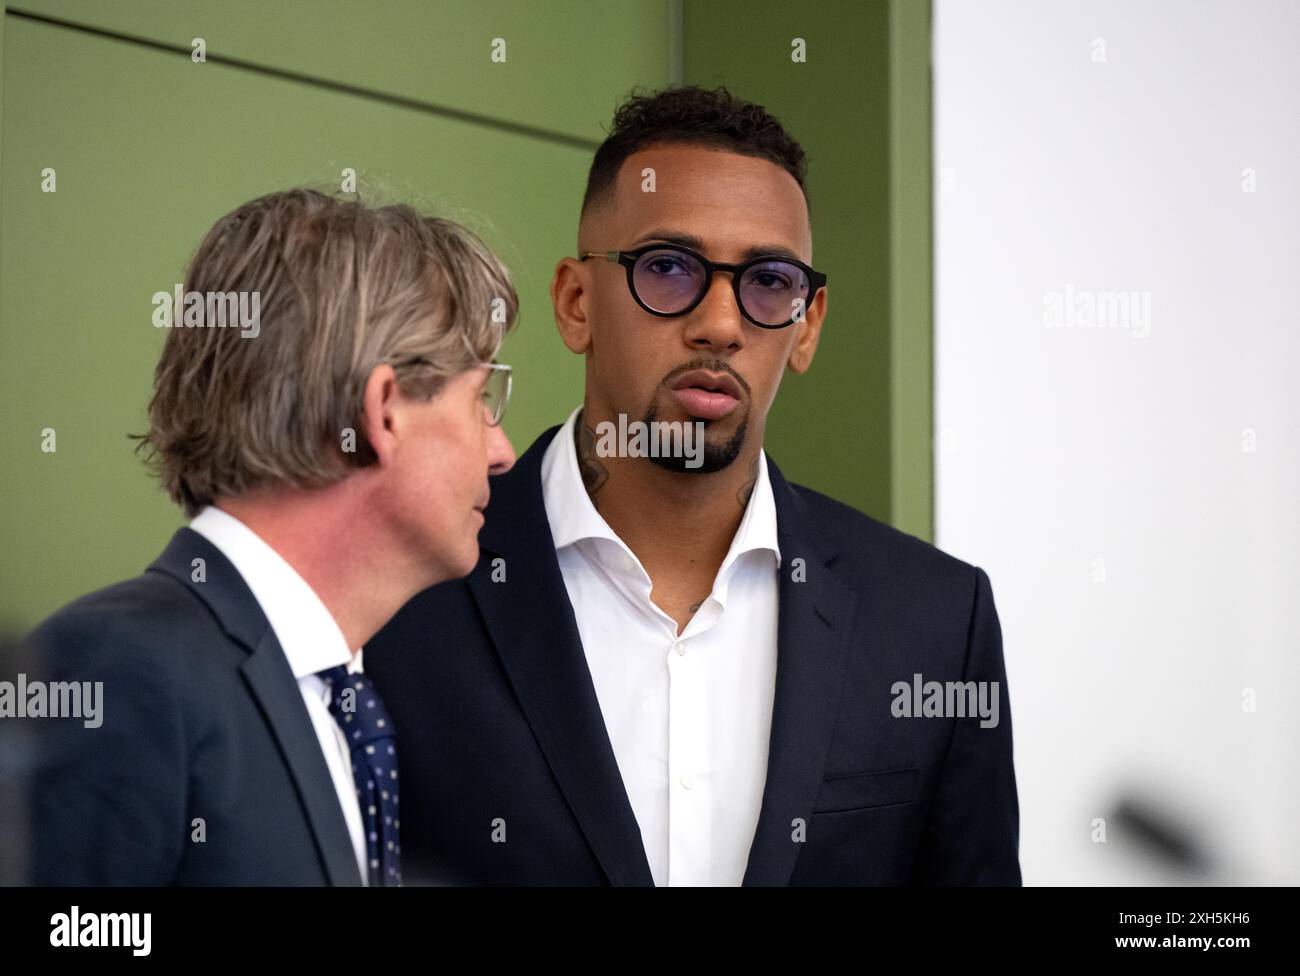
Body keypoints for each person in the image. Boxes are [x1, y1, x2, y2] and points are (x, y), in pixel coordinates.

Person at [367, 86, 1021, 885]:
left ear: (807, 325)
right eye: (668, 268)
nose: (720, 323)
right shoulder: (403, 588)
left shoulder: (934, 622)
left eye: (769, 281)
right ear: (577, 303)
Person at [26, 188, 517, 885]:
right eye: (483, 400)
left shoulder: (346, 696)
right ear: (383, 414)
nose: (502, 451)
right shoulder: (116, 670)